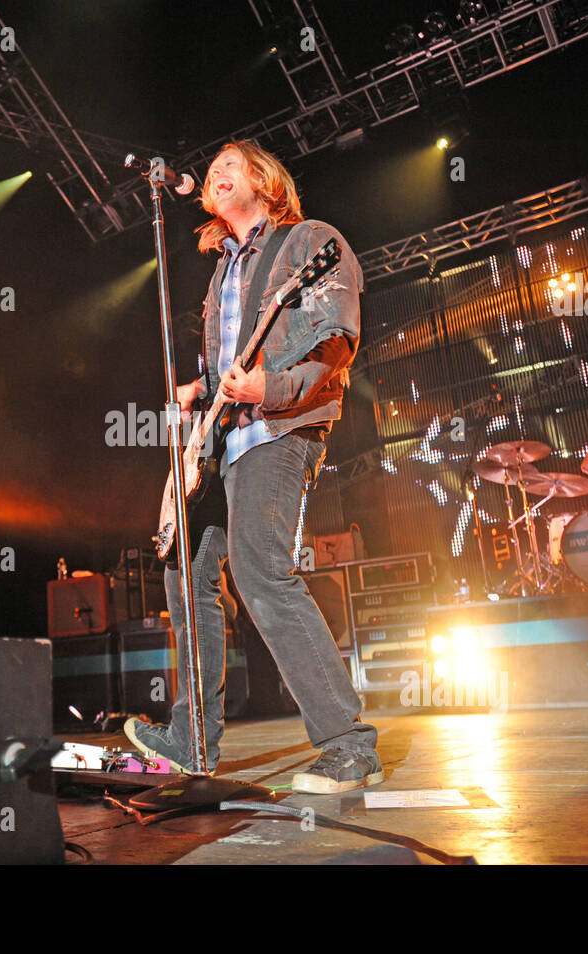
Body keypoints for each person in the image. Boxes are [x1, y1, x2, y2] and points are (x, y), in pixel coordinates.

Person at [125, 140, 381, 794]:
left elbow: (336, 339)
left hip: (278, 430)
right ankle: (193, 742)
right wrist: (201, 390)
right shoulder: (221, 274)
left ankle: (349, 745)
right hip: (222, 444)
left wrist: (268, 390)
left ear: (265, 183)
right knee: (184, 573)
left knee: (260, 568)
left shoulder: (308, 241)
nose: (216, 173)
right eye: (212, 171)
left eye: (231, 165)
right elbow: (234, 366)